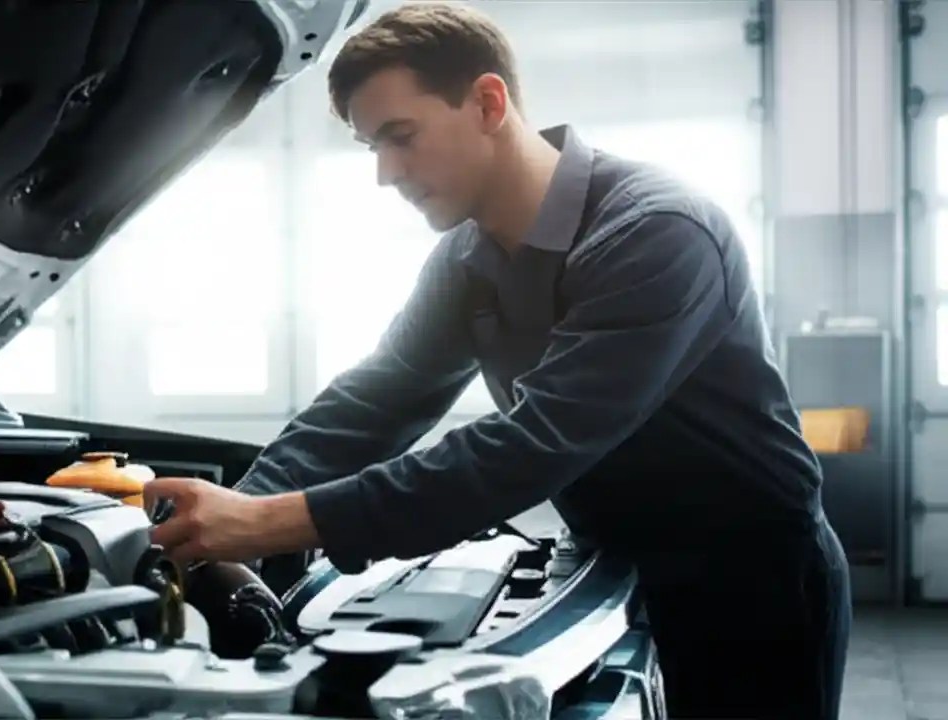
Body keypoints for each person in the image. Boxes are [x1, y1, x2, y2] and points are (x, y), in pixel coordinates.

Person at [144, 4, 851, 718]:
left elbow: (532, 446)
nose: (386, 175)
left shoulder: (659, 233)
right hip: (614, 563)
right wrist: (223, 527)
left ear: (487, 101)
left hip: (752, 581)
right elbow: (377, 400)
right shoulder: (467, 257)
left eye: (402, 137)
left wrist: (274, 522)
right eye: (372, 149)